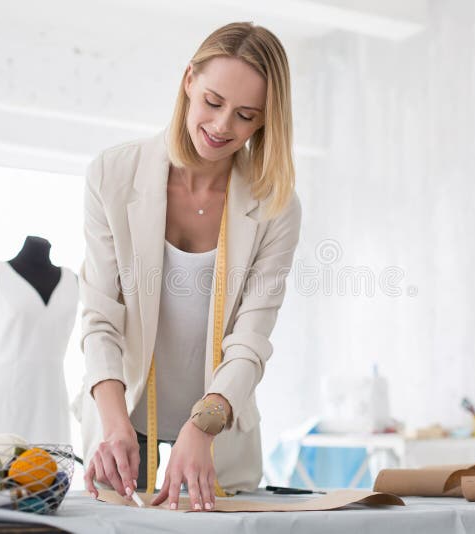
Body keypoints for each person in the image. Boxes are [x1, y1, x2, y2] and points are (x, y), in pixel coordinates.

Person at [75, 21, 301, 512]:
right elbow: (100, 319)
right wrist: (114, 426)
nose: (222, 127)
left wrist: (204, 425)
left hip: (216, 431)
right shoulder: (113, 175)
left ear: (265, 121)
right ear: (188, 81)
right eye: (213, 102)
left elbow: (251, 339)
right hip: (121, 422)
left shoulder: (275, 206)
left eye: (245, 115)